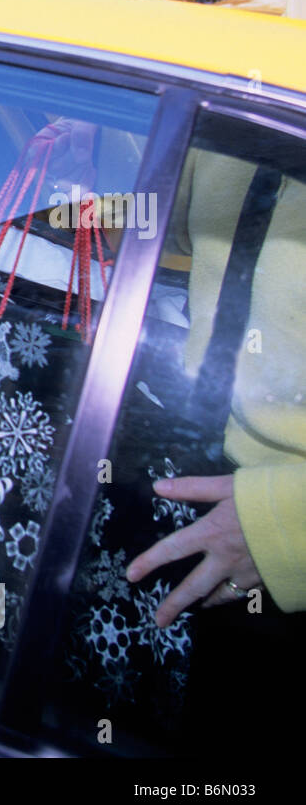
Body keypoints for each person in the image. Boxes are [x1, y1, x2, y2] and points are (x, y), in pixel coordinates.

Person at [127, 152, 305, 627]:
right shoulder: (258, 81)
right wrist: (104, 144)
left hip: (277, 542)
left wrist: (284, 524)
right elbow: (165, 215)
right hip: (189, 448)